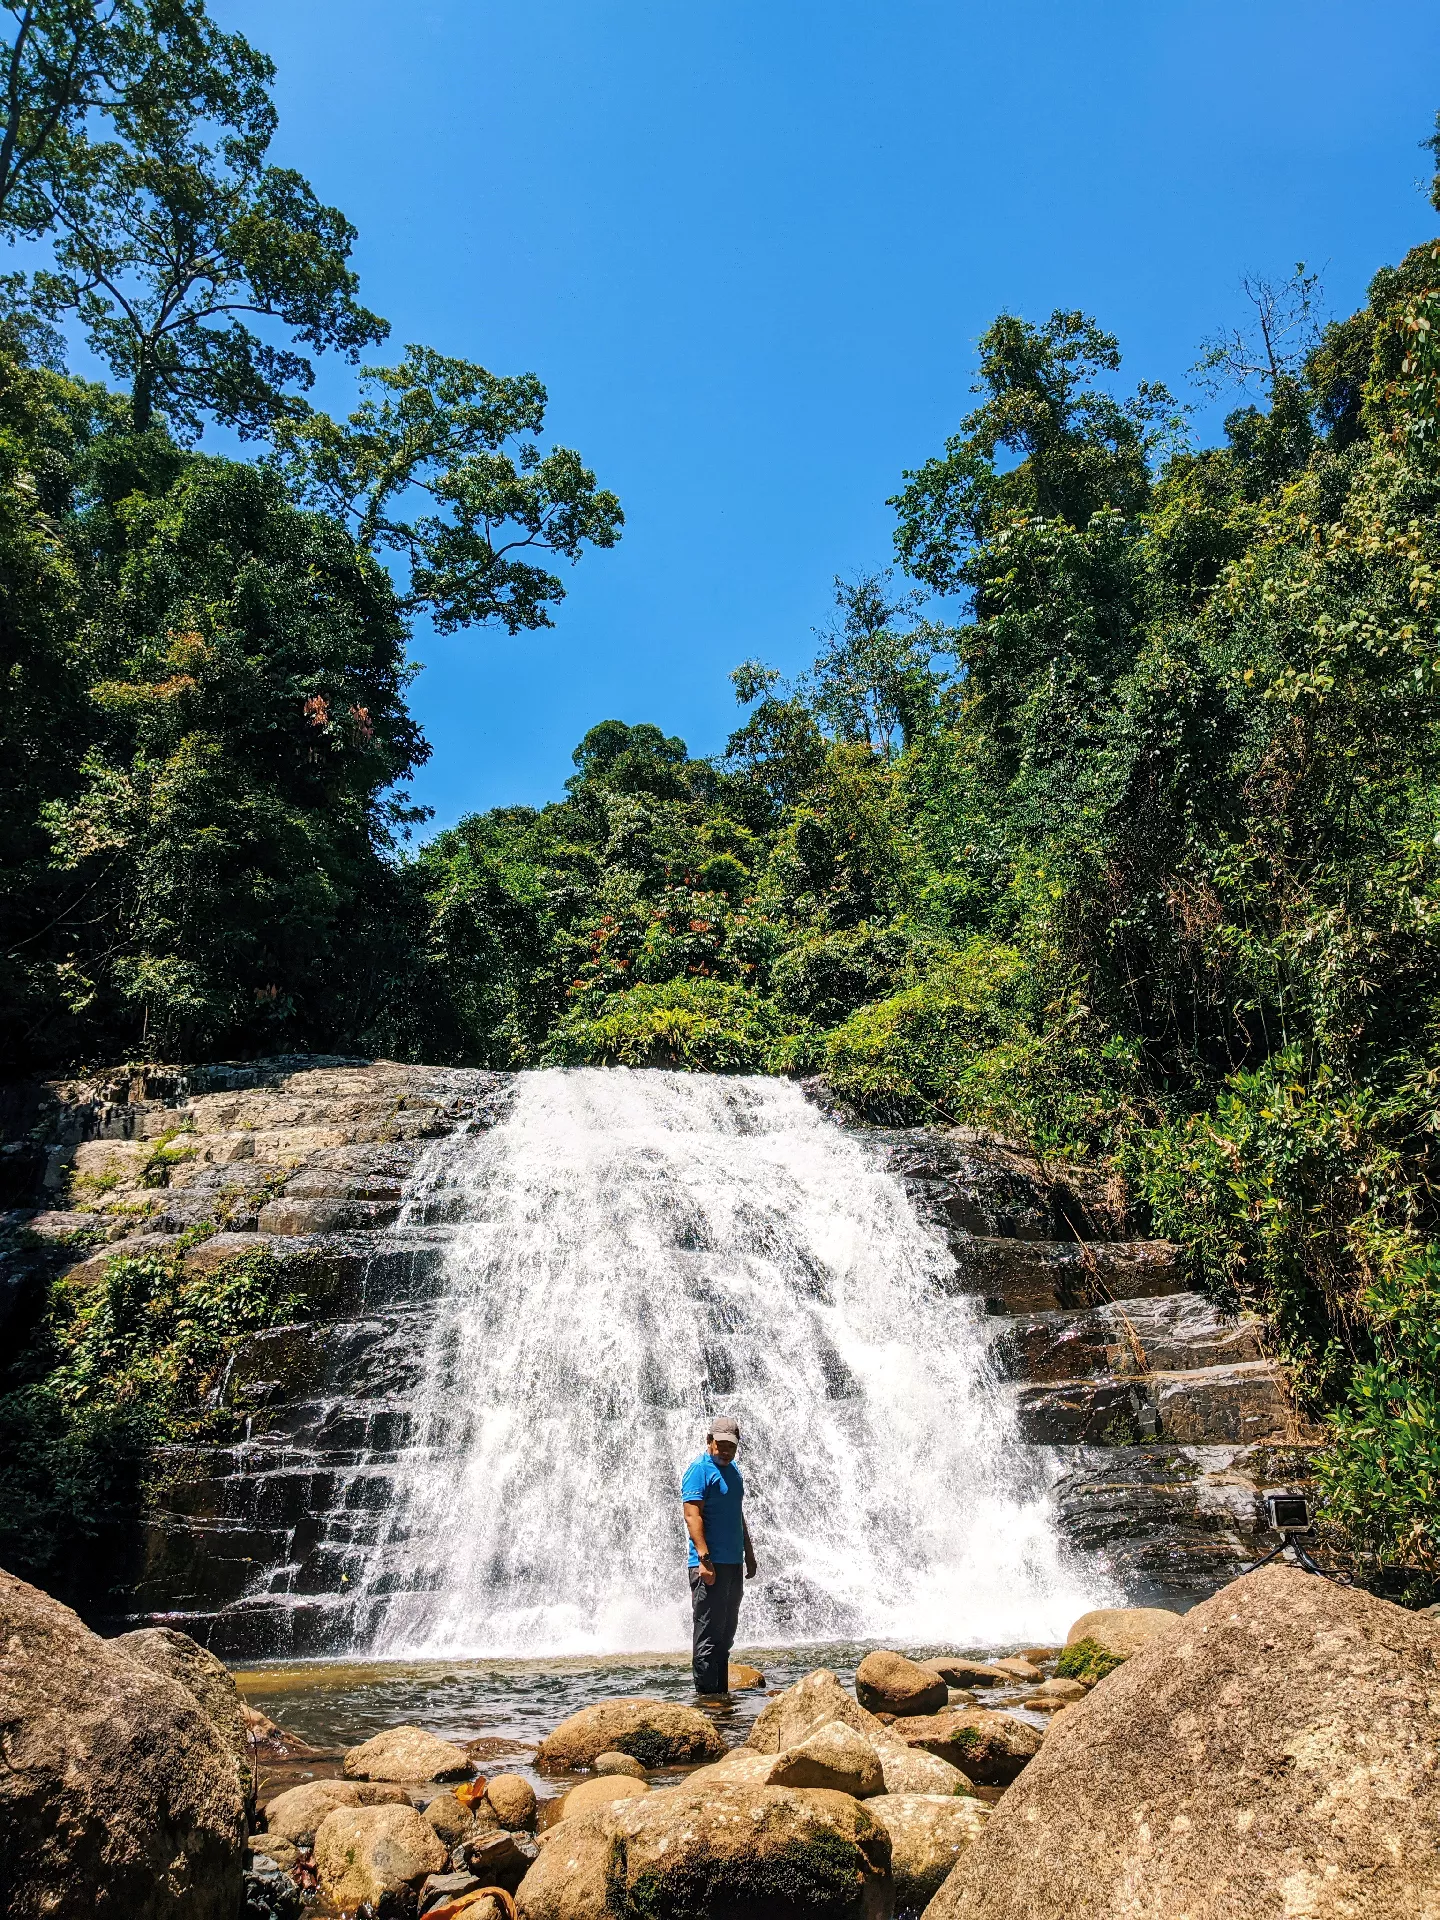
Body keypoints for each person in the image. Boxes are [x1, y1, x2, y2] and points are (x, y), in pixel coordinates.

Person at [681, 1414, 758, 1696]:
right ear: (709, 1440)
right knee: (708, 1638)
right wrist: (704, 1559)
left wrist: (749, 1553)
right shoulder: (699, 1470)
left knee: (725, 1637)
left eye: (731, 1446)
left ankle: (721, 1698)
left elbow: (737, 1514)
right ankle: (706, 1701)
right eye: (721, 1444)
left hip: (733, 1563)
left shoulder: (733, 1471)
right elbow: (692, 1516)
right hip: (709, 1565)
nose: (725, 1451)